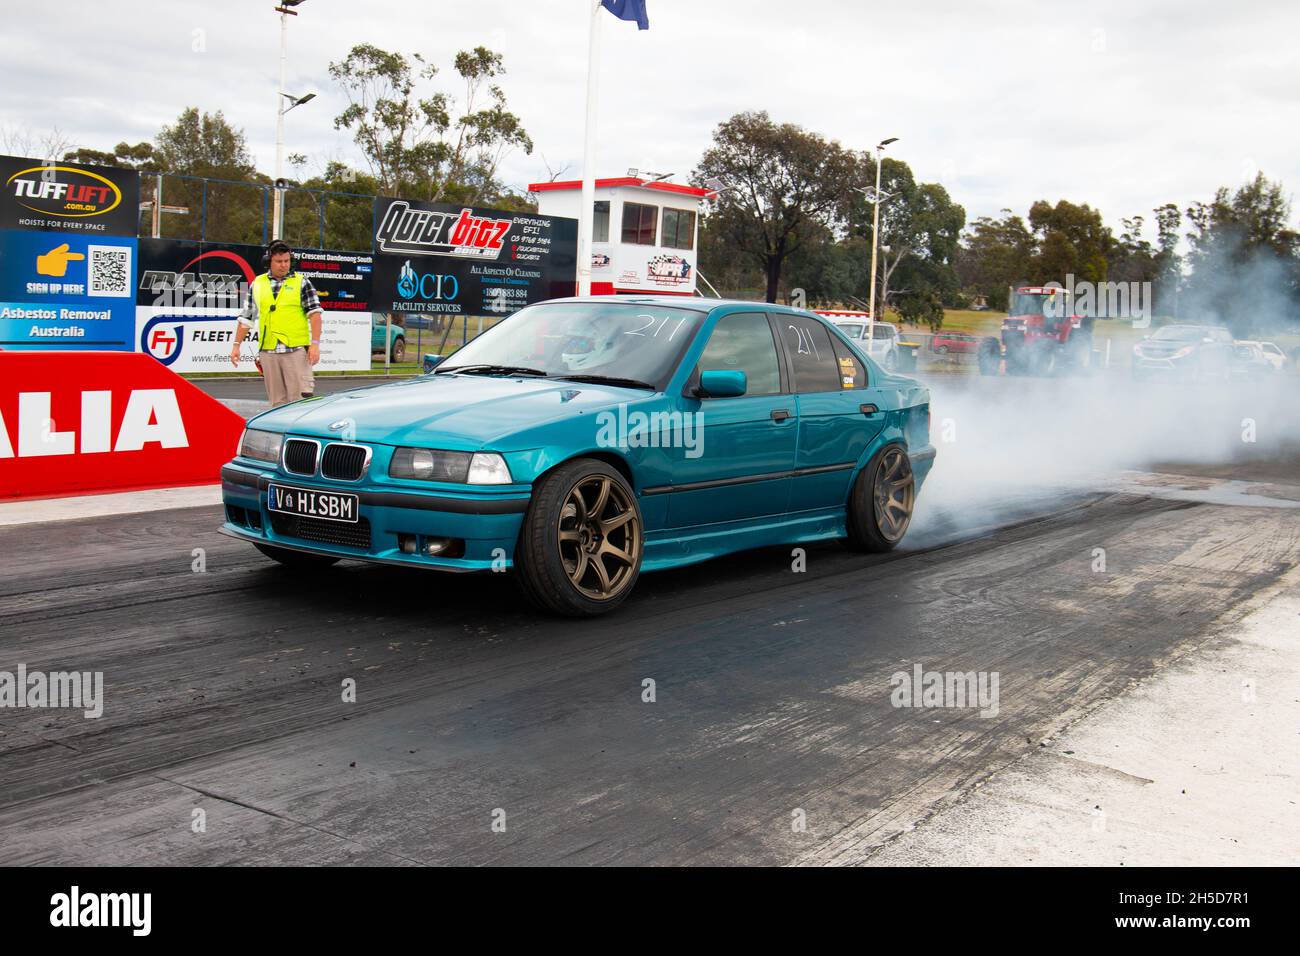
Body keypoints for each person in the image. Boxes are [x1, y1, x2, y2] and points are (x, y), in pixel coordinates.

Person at [230, 240, 323, 407]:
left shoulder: (302, 282)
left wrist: (315, 344)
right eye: (279, 261)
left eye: (287, 261)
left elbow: (315, 315)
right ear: (269, 262)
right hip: (268, 352)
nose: (283, 265)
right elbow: (246, 317)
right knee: (277, 404)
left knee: (301, 402)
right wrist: (236, 345)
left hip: (295, 350)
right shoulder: (257, 283)